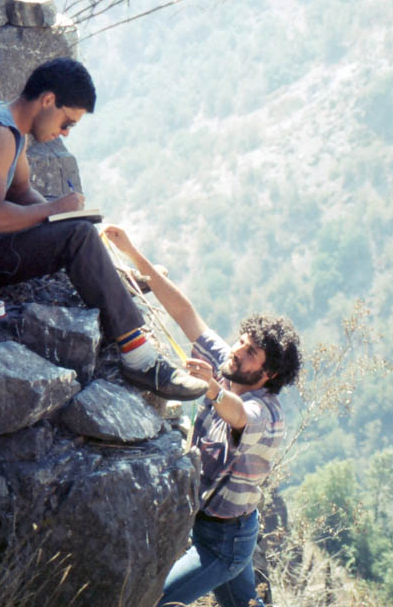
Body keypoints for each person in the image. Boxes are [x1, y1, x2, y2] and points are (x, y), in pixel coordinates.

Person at [0, 57, 206, 403]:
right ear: (47, 100)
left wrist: (64, 219)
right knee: (78, 237)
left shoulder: (8, 123)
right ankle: (140, 359)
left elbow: (22, 193)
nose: (66, 132)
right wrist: (56, 212)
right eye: (66, 121)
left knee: (76, 230)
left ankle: (112, 284)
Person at [103, 225, 302, 607]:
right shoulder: (226, 365)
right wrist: (132, 252)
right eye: (241, 342)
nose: (237, 352)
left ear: (269, 373)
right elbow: (183, 312)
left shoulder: (268, 414)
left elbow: (240, 415)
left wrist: (212, 388)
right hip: (222, 526)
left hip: (224, 542)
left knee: (150, 601)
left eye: (250, 353)